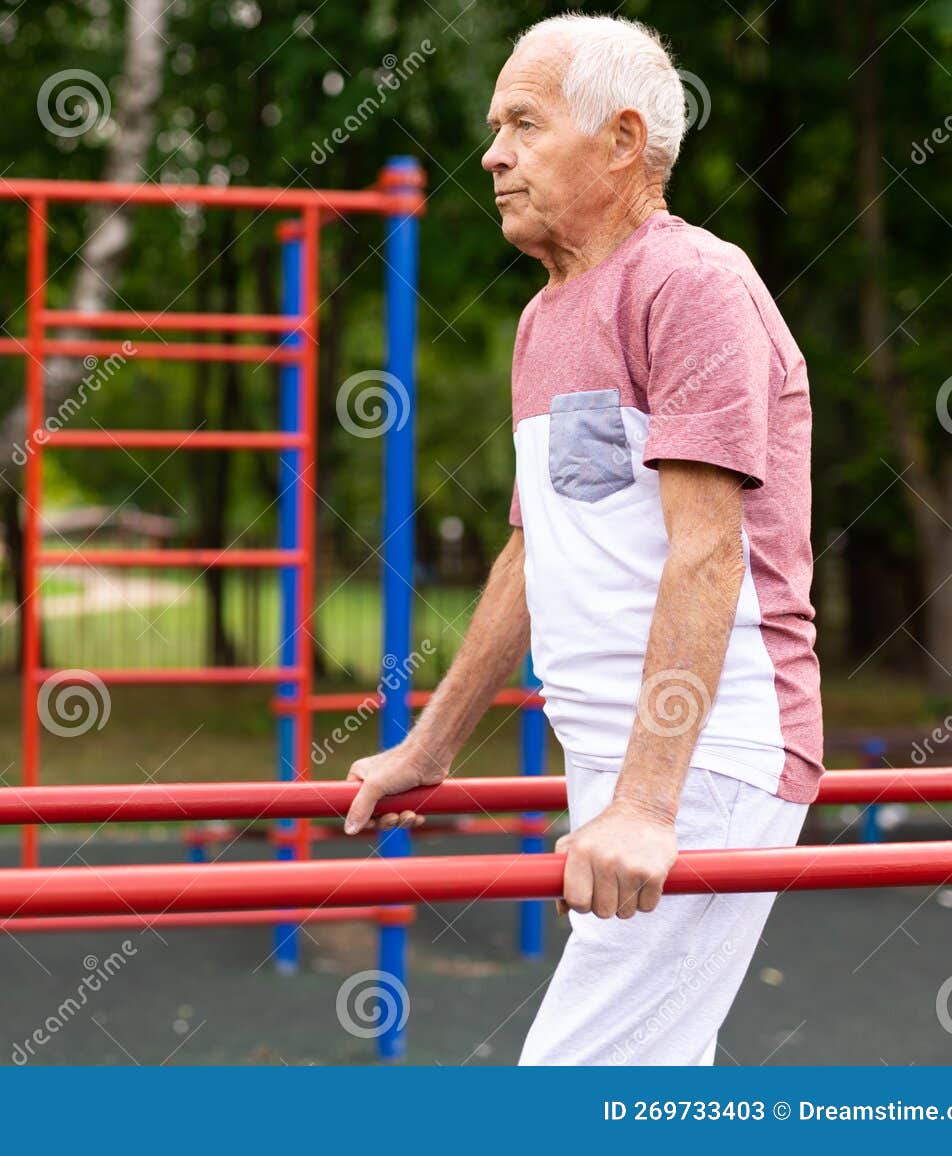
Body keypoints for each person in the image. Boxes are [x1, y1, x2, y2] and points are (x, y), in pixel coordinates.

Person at [341, 13, 821, 1065]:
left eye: (522, 122)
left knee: (575, 1089)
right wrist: (431, 746)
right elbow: (532, 552)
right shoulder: (545, 314)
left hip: (709, 750)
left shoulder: (690, 283)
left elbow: (707, 549)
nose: (493, 154)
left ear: (619, 140)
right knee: (647, 1082)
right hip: (612, 753)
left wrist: (648, 802)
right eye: (493, 126)